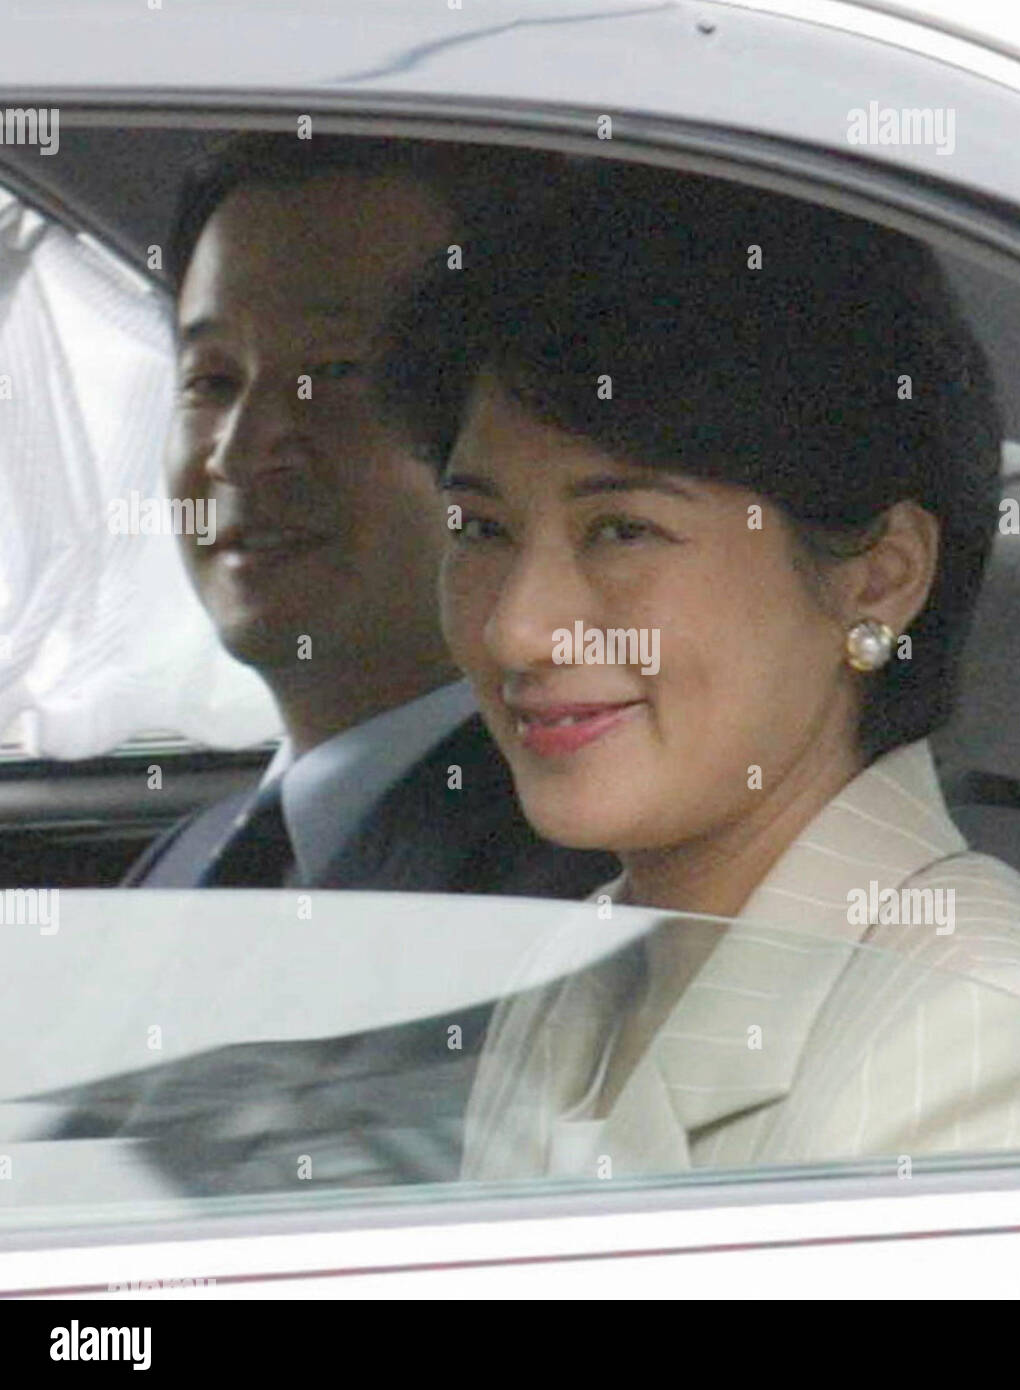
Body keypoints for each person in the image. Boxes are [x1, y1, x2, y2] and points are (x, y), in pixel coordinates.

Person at [374, 164, 1020, 1180]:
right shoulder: (583, 966)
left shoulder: (998, 1049)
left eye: (624, 530)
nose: (518, 630)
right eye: (482, 528)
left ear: (878, 580)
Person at [44, 135, 615, 1192]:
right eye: (211, 378)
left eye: (341, 375)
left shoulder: (582, 908)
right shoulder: (184, 861)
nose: (243, 446)